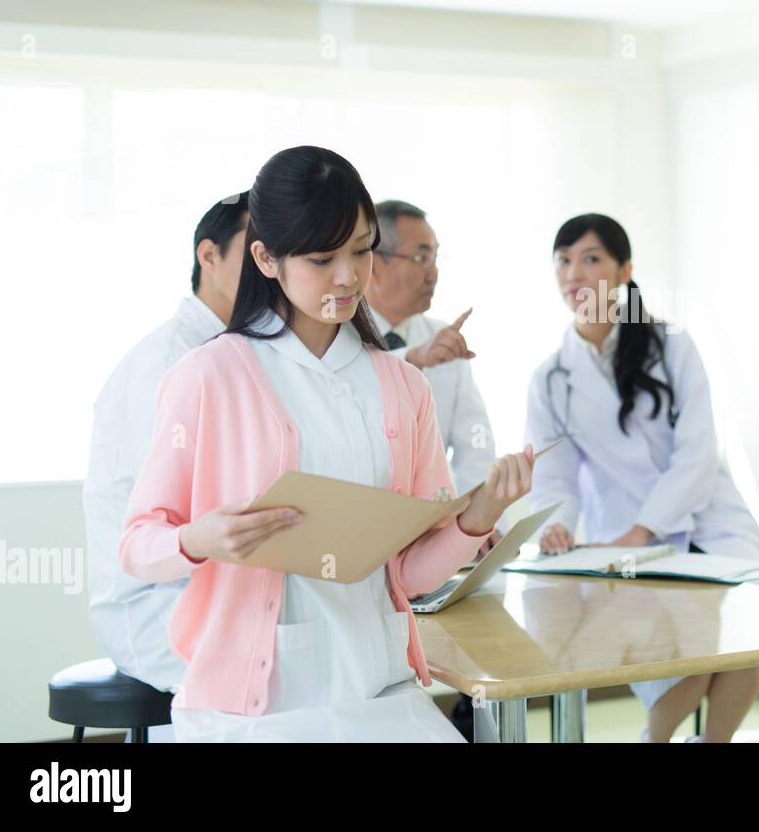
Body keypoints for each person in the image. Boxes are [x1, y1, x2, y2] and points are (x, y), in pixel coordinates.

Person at [119, 146, 535, 742]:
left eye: (361, 251)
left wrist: (478, 518)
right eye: (322, 258)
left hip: (380, 688)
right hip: (256, 709)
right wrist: (198, 538)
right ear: (266, 258)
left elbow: (410, 574)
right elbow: (137, 543)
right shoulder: (208, 375)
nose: (348, 277)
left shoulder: (403, 386)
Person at [524, 213, 759, 743]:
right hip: (618, 532)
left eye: (592, 259)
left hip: (708, 519)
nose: (575, 273)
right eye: (564, 261)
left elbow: (699, 451)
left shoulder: (671, 345)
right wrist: (558, 527)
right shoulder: (551, 377)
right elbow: (556, 475)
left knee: (745, 633)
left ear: (624, 270)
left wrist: (645, 530)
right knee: (689, 647)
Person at [84, 192, 248, 699]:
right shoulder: (167, 364)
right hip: (157, 605)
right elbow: (163, 525)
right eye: (257, 248)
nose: (272, 265)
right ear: (209, 256)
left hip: (219, 589)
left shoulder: (241, 350)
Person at [367, 200, 496, 495]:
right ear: (373, 265)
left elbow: (476, 443)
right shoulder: (337, 336)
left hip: (436, 521)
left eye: (436, 258)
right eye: (420, 258)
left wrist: (480, 519)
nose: (434, 273)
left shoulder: (444, 338)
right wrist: (413, 359)